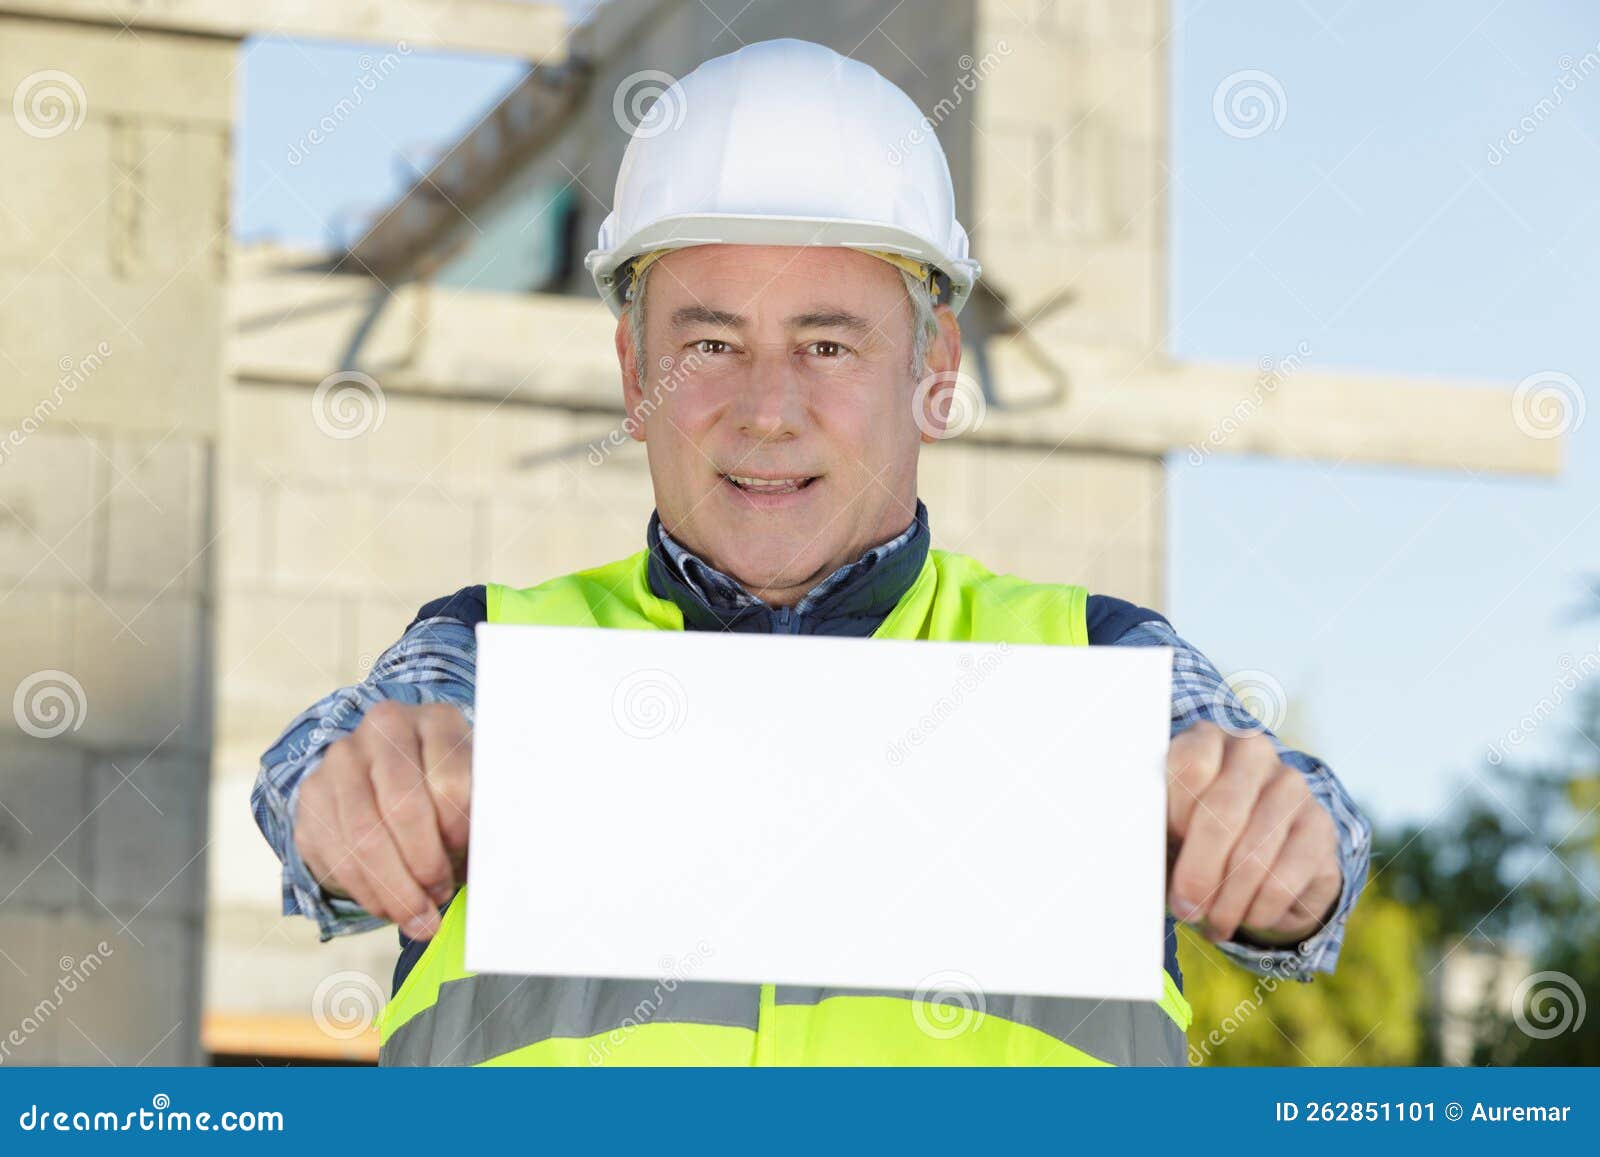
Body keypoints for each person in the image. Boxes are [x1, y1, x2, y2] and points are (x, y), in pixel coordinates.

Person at [251, 38, 1370, 1067]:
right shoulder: (492, 653)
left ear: (933, 366)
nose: (766, 409)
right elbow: (315, 779)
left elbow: (1305, 836)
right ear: (636, 376)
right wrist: (346, 795)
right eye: (709, 343)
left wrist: (1287, 851)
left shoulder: (1095, 663)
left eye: (826, 343)